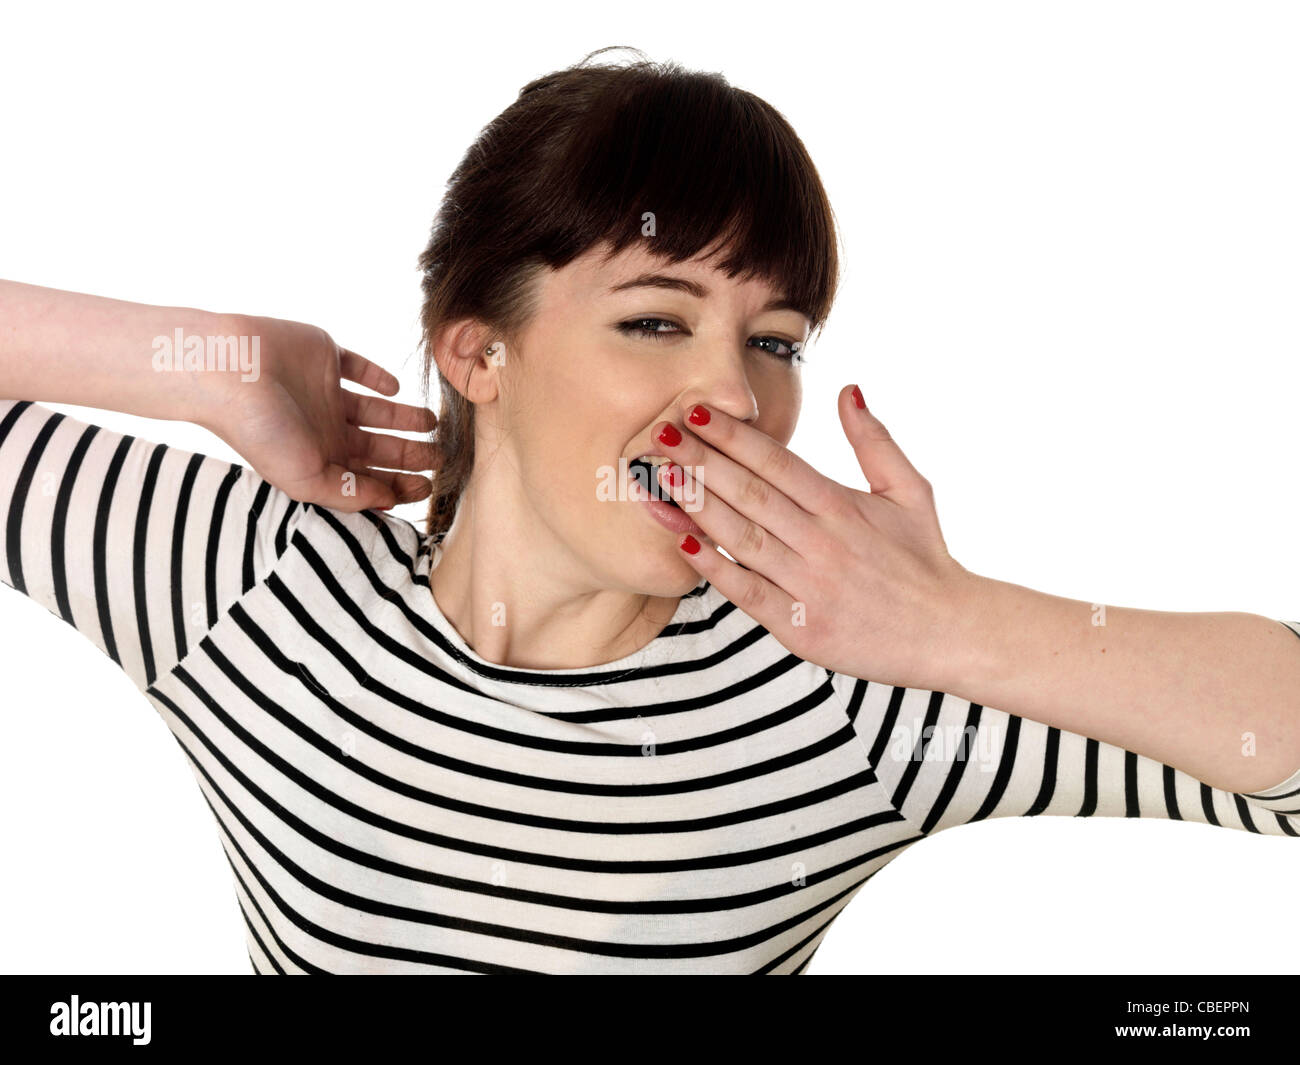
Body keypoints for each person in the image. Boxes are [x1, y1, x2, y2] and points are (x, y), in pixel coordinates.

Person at [1, 49, 1296, 975]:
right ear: (478, 353)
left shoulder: (857, 687)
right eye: (656, 319)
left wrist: (960, 623)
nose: (732, 390)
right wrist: (199, 355)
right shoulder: (256, 585)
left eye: (776, 341)